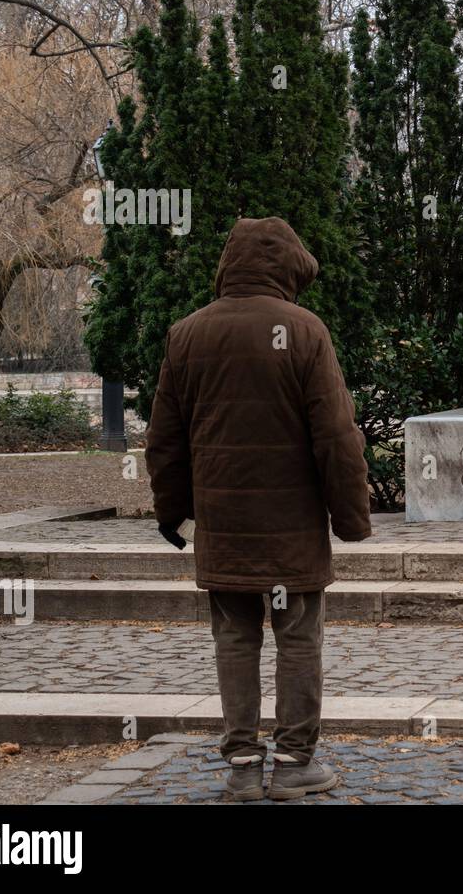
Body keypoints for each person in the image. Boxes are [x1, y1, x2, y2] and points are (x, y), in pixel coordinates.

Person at [145, 216, 371, 801]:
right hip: (290, 528)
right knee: (299, 637)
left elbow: (164, 441)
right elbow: (337, 436)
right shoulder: (303, 331)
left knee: (235, 639)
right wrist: (351, 517)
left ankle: (243, 763)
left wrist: (172, 514)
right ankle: (295, 762)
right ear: (286, 268)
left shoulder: (187, 334)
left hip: (224, 525)